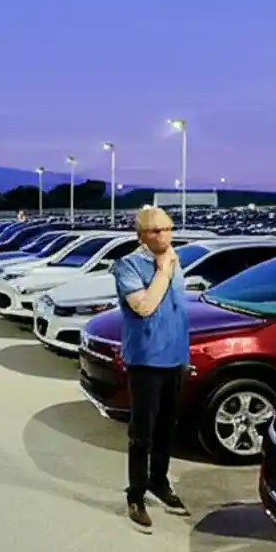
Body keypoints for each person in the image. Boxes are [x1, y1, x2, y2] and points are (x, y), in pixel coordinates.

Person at [111, 205, 190, 532]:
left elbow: (177, 309)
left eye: (167, 229)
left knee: (166, 428)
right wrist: (162, 271)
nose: (163, 236)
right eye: (155, 231)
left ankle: (159, 482)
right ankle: (136, 493)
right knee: (141, 433)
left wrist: (184, 352)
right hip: (146, 361)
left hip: (175, 359)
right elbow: (143, 307)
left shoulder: (175, 260)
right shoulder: (127, 265)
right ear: (140, 234)